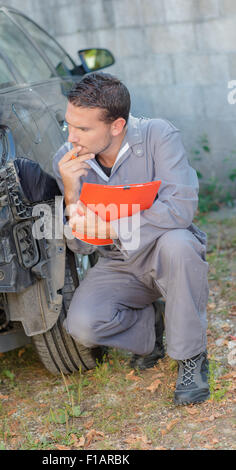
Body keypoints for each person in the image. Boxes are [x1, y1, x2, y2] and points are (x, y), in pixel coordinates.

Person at [52, 72, 210, 406]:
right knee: (82, 325)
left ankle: (191, 357)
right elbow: (81, 246)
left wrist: (113, 229)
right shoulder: (68, 161)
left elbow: (180, 209)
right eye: (69, 125)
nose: (72, 137)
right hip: (119, 263)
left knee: (179, 244)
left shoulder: (158, 136)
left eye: (83, 128)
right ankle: (151, 330)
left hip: (166, 252)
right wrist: (69, 192)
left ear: (116, 125)